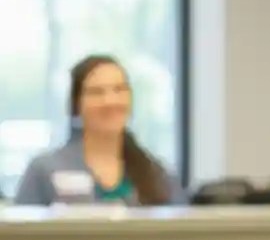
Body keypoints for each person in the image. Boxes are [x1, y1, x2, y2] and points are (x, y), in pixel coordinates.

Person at [13, 55, 184, 206]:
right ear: (76, 104)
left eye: (119, 90)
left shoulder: (158, 176)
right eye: (96, 92)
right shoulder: (44, 170)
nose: (110, 101)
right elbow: (18, 238)